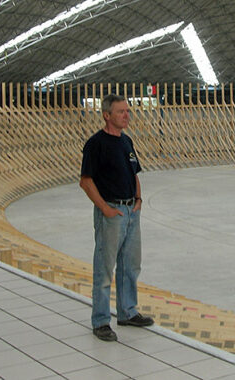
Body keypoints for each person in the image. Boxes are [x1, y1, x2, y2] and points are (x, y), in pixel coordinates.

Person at [79, 94, 154, 342]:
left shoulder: (126, 141)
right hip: (111, 212)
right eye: (121, 111)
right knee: (104, 268)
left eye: (128, 111)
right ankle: (101, 321)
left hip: (131, 211)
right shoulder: (96, 144)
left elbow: (134, 174)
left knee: (130, 265)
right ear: (107, 115)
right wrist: (105, 209)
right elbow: (86, 181)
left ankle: (127, 312)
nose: (127, 115)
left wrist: (138, 201)